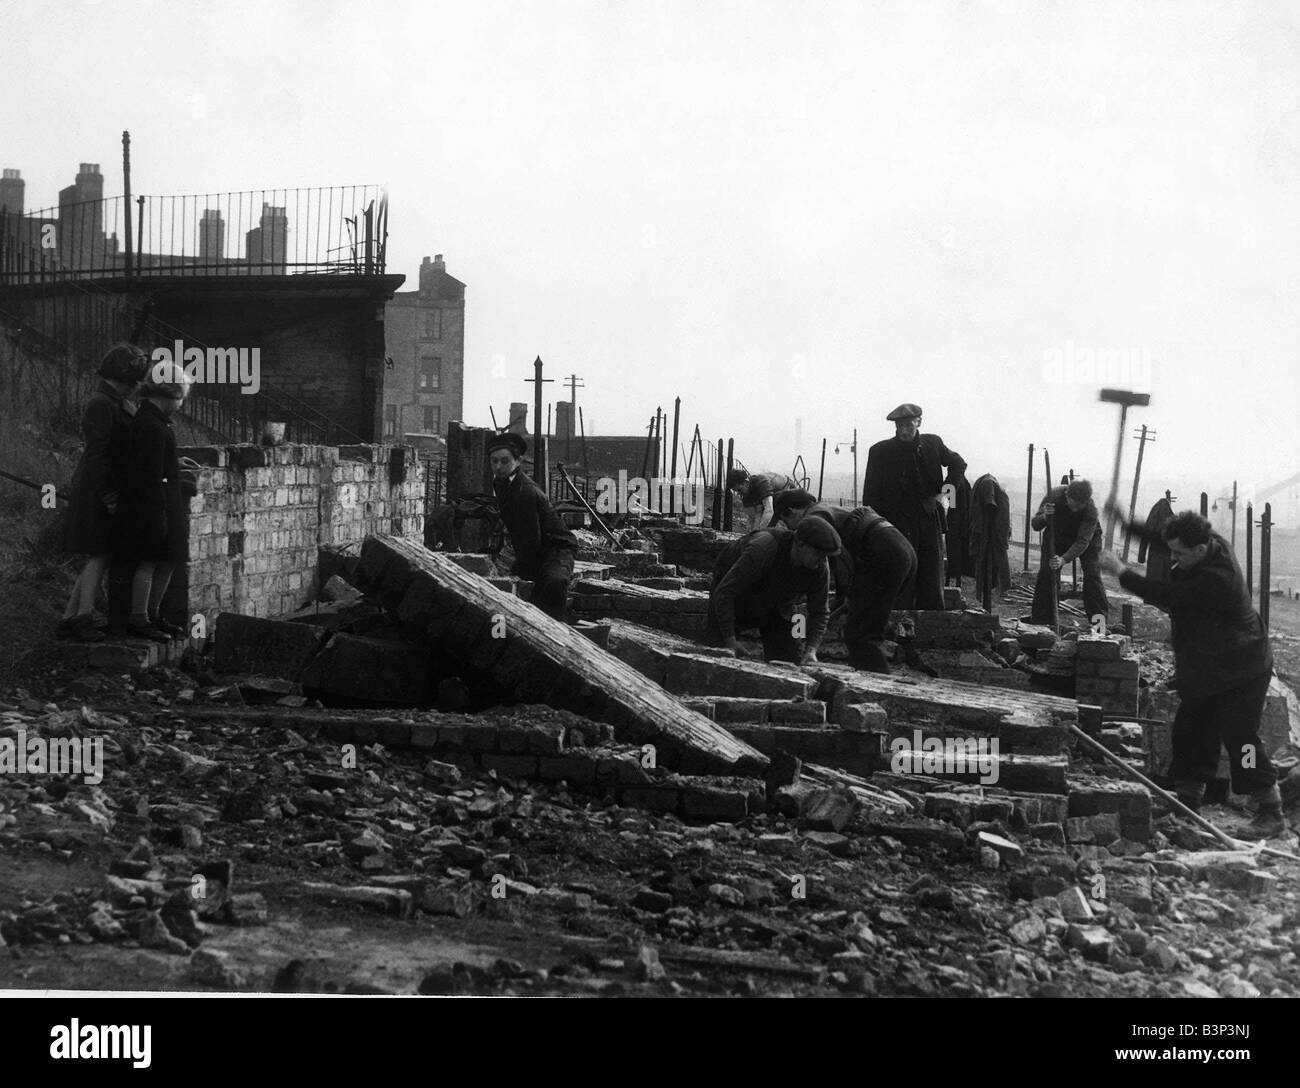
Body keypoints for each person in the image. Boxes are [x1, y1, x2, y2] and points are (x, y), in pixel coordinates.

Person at [1101, 508, 1287, 840]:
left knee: (1240, 738)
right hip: (1208, 665)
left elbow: (1167, 596)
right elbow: (1163, 540)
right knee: (1191, 729)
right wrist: (1126, 523)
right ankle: (1187, 803)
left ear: (1200, 551)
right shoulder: (1206, 543)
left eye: (1179, 554)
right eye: (1173, 550)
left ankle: (1270, 811)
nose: (1173, 558)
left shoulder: (1217, 579)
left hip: (1242, 666)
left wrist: (1121, 571)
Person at [58, 343, 150, 642]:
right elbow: (99, 454)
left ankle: (70, 618)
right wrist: (108, 494)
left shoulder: (113, 402)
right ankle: (82, 617)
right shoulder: (103, 404)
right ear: (127, 376)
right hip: (98, 487)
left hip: (102, 485)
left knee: (100, 552)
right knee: (101, 551)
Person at [774, 489, 917, 673]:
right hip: (900, 547)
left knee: (860, 635)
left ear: (792, 511)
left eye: (788, 523)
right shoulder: (823, 509)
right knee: (865, 625)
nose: (793, 531)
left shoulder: (813, 520)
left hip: (883, 552)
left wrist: (841, 597)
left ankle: (873, 688)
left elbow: (841, 564)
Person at [114, 360, 193, 642]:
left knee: (169, 558)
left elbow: (157, 466)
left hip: (162, 502)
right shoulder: (151, 426)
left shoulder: (154, 422)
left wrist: (176, 472)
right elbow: (149, 474)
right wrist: (158, 513)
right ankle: (140, 617)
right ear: (168, 394)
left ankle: (153, 613)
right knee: (149, 560)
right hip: (152, 506)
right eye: (180, 397)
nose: (181, 404)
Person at [862, 403, 966, 609]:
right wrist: (876, 527)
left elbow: (959, 464)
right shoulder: (880, 451)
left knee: (932, 570)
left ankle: (931, 621)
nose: (904, 430)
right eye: (900, 426)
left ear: (919, 423)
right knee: (901, 568)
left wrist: (945, 495)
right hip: (895, 522)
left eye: (909, 425)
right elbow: (870, 494)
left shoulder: (933, 443)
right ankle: (898, 622)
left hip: (929, 520)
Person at [708, 516, 840, 664]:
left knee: (792, 658)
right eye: (818, 554)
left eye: (825, 556)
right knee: (716, 655)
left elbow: (820, 611)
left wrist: (811, 650)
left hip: (779, 605)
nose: (822, 561)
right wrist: (730, 640)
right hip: (736, 596)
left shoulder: (820, 568)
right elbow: (724, 593)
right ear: (800, 544)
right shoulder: (763, 548)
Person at [488, 431, 577, 621]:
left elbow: (531, 541)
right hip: (537, 544)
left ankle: (554, 633)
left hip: (557, 547)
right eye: (494, 461)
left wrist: (516, 574)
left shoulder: (525, 492)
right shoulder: (501, 482)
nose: (498, 467)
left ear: (518, 461)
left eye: (504, 461)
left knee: (552, 584)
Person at [1029, 477, 1108, 625]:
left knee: (1092, 574)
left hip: (1088, 541)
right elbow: (1035, 524)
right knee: (1047, 574)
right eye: (1074, 505)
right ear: (1067, 496)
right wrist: (1045, 516)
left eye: (1080, 507)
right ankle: (1042, 622)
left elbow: (1083, 541)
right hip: (1056, 536)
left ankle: (1100, 624)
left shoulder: (1091, 510)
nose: (1076, 509)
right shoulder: (1054, 496)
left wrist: (1063, 559)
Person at [970, 472, 1012, 603]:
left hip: (994, 534)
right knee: (985, 566)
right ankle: (987, 592)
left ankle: (996, 589)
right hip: (987, 533)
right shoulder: (987, 483)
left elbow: (992, 508)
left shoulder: (987, 483)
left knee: (995, 564)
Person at [726, 467, 801, 530]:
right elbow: (753, 517)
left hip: (786, 489)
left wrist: (759, 532)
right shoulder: (746, 493)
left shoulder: (761, 482)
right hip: (773, 496)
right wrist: (751, 534)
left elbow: (769, 510)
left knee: (776, 520)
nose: (739, 493)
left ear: (746, 482)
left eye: (739, 490)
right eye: (737, 491)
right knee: (763, 519)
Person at [1137, 490, 1176, 582]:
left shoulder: (1156, 510)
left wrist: (1141, 556)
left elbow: (1147, 531)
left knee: (1153, 583)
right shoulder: (1172, 516)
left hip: (1155, 553)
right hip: (1168, 556)